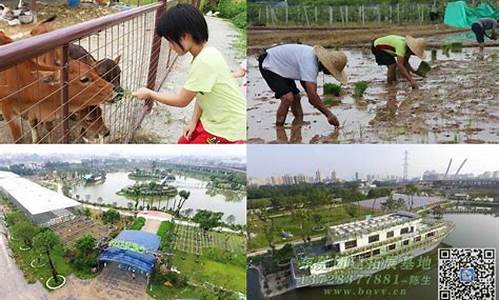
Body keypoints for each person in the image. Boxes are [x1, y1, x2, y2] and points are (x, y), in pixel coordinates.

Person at [132, 4, 246, 144]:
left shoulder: (204, 61)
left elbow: (181, 101)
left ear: (185, 36)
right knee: (183, 141)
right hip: (216, 119)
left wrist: (149, 93)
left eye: (171, 41)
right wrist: (193, 121)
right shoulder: (206, 53)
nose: (170, 46)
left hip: (228, 128)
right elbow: (202, 91)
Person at [258, 43, 348, 127]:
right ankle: (279, 129)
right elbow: (312, 97)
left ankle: (298, 124)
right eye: (331, 71)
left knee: (296, 97)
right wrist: (329, 115)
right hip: (269, 63)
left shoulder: (312, 59)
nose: (329, 74)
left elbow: (306, 86)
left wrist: (312, 96)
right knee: (287, 97)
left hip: (283, 66)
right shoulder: (310, 64)